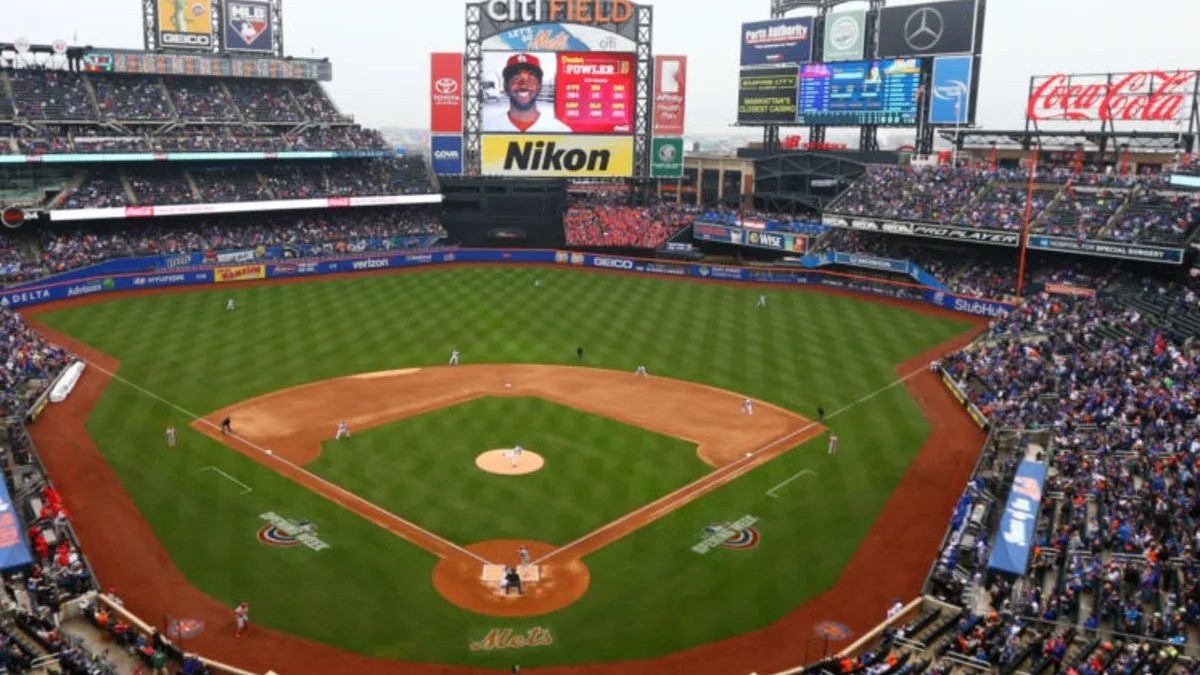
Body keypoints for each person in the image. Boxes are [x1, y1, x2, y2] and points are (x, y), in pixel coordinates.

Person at [483, 53, 571, 133]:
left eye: (531, 79)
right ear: (506, 86)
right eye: (516, 78)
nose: (523, 85)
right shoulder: (487, 129)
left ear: (539, 86)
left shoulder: (560, 130)